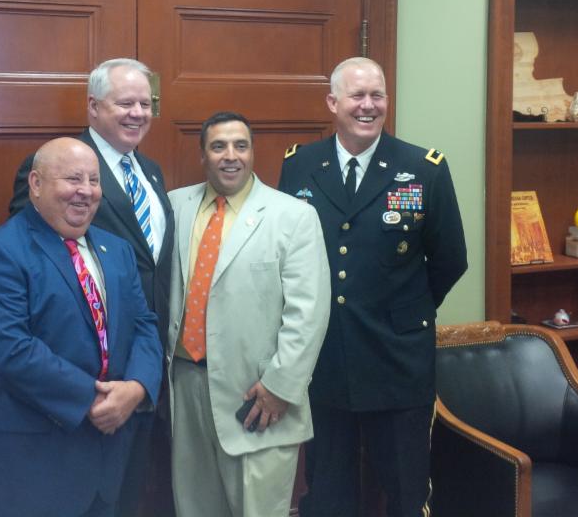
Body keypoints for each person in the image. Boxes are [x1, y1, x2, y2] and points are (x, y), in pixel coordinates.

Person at [0, 58, 174, 517]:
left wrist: (138, 385)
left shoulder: (150, 172)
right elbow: (17, 258)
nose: (138, 112)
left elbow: (146, 300)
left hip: (128, 412)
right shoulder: (55, 158)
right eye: (125, 103)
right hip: (50, 430)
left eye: (145, 102)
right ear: (94, 107)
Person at [278, 57, 468, 517]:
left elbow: (450, 260)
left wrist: (401, 310)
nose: (368, 105)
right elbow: (287, 255)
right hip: (325, 361)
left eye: (377, 95)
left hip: (397, 361)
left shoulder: (423, 168)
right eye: (357, 95)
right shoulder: (301, 165)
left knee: (405, 493)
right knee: (326, 493)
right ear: (333, 102)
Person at [166, 112, 330, 517]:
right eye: (218, 146)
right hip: (186, 388)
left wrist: (280, 385)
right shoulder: (175, 206)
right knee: (194, 507)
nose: (230, 156)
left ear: (253, 152)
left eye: (241, 145)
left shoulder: (292, 216)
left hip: (257, 398)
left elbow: (308, 312)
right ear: (203, 155)